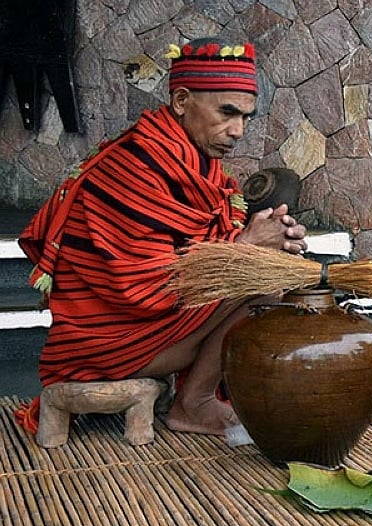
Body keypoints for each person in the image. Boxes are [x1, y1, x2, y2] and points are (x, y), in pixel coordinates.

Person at [16, 37, 307, 438]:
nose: (238, 130)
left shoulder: (195, 164)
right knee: (263, 282)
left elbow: (202, 245)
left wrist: (273, 239)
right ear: (182, 100)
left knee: (275, 275)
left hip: (149, 328)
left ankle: (196, 399)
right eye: (227, 112)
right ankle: (194, 404)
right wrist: (246, 250)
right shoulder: (136, 167)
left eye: (246, 118)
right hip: (106, 340)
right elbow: (145, 289)